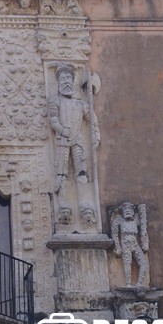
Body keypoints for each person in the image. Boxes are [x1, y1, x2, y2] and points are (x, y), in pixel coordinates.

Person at [49, 64, 98, 224]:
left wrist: (95, 133)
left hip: (78, 140)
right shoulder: (55, 100)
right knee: (62, 171)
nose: (66, 80)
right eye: (63, 78)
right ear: (58, 81)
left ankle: (83, 201)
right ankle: (63, 201)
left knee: (81, 171)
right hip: (62, 140)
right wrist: (63, 130)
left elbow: (91, 120)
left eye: (68, 77)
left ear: (72, 80)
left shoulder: (80, 103)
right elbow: (53, 120)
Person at [110, 202, 150, 287]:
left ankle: (139, 283)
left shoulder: (135, 221)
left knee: (143, 264)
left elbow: (143, 222)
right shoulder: (119, 221)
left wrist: (142, 210)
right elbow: (114, 234)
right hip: (125, 244)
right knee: (127, 263)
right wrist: (118, 247)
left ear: (133, 212)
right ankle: (128, 284)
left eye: (129, 209)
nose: (127, 211)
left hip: (135, 244)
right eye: (125, 209)